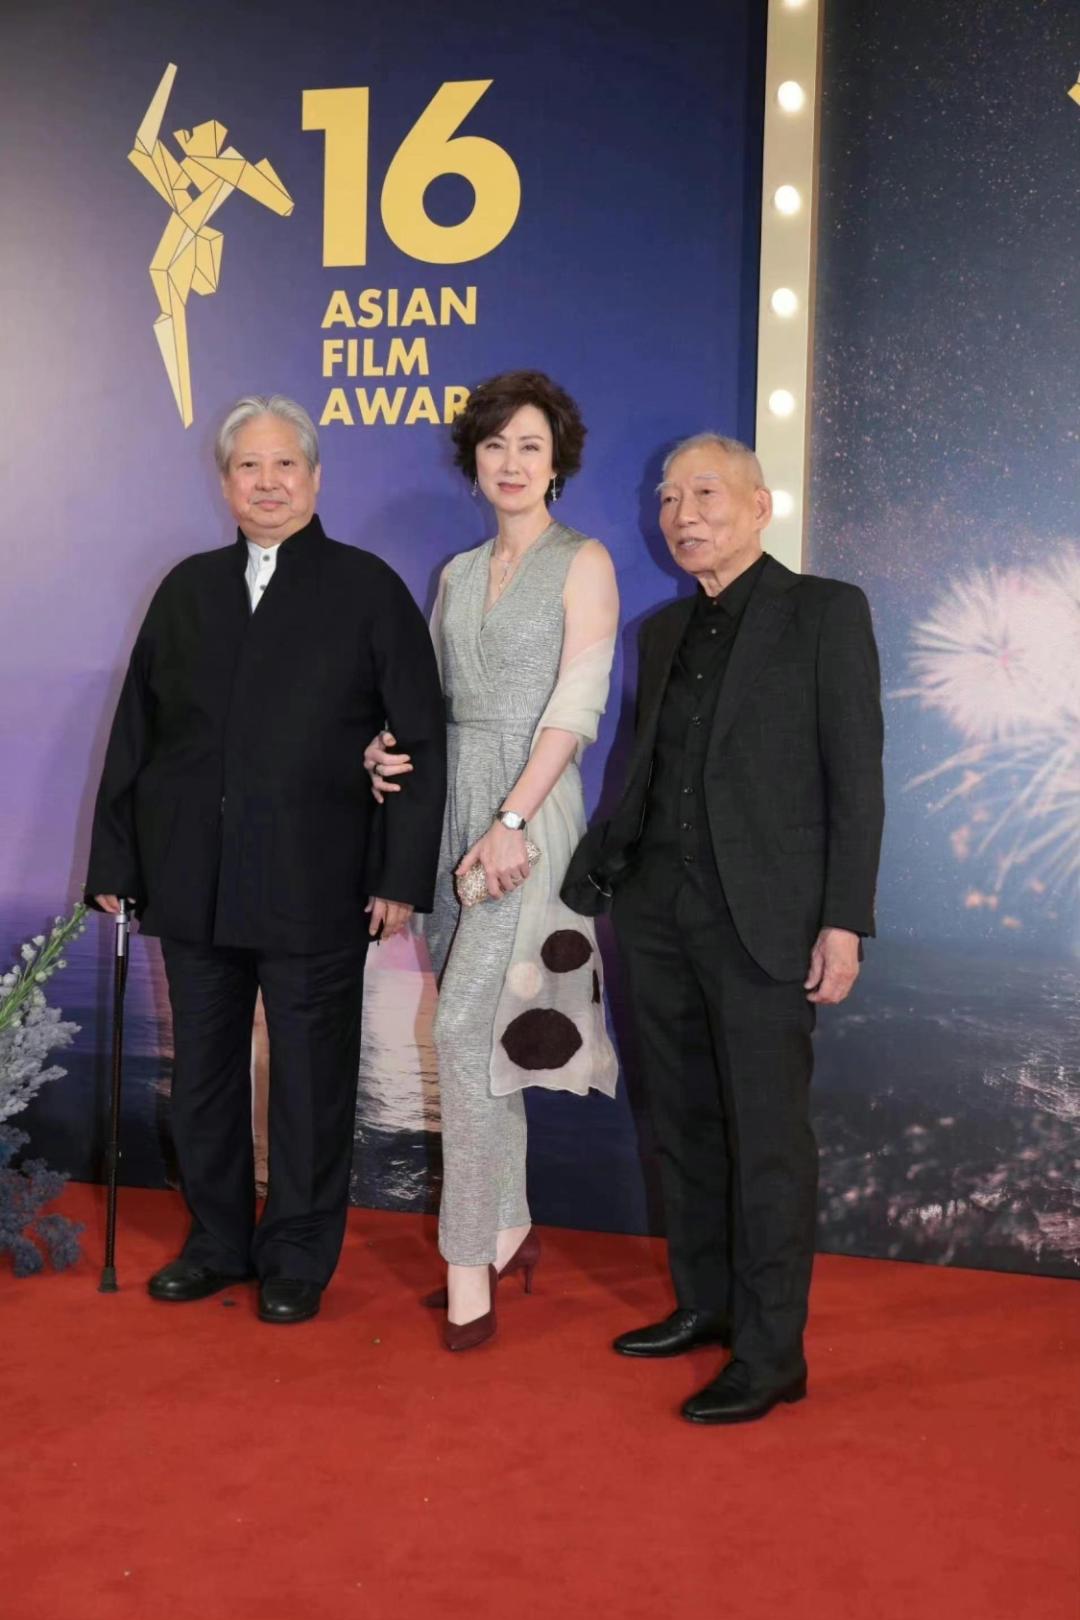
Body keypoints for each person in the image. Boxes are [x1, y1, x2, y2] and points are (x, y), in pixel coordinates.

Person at [85, 394, 445, 1324]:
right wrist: (115, 863)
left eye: (286, 465)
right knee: (202, 1072)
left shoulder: (367, 587)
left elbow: (419, 739)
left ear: (317, 479)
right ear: (226, 482)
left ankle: (295, 1254)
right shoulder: (187, 588)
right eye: (250, 466)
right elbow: (139, 733)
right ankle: (215, 1242)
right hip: (190, 881)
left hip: (316, 882)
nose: (269, 482)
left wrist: (401, 876)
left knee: (311, 1078)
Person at [562, 433, 884, 1423]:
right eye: (668, 498)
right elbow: (648, 765)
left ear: (759, 506)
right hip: (658, 915)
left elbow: (855, 779)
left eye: (705, 493)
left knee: (769, 1140)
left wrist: (843, 919)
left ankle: (771, 1350)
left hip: (767, 923)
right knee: (684, 1125)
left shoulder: (824, 612)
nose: (683, 513)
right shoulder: (661, 632)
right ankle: (702, 1305)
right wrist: (604, 872)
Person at [366, 370, 619, 1350]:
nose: (512, 463)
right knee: (486, 1036)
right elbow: (426, 703)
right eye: (495, 445)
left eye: (531, 447)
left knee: (465, 1030)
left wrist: (513, 817)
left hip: (530, 812)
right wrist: (385, 749)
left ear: (557, 463)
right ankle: (510, 1217)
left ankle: (466, 1254)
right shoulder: (459, 574)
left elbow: (579, 701)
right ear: (472, 461)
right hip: (450, 812)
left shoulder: (583, 560)